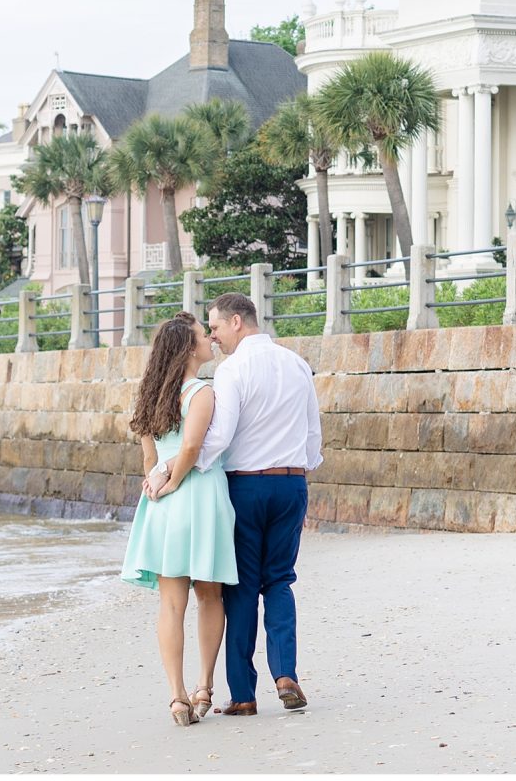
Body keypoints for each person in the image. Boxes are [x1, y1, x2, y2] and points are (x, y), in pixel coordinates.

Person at [183, 291, 322, 717]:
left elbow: (220, 437)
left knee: (242, 589)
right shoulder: (297, 363)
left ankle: (243, 695)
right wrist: (300, 468)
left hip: (245, 487)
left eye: (217, 326)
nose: (214, 335)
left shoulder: (233, 369)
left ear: (237, 322)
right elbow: (313, 433)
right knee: (279, 580)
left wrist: (185, 466)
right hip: (292, 484)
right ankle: (285, 674)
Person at [120, 312, 238, 727]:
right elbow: (191, 449)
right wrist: (174, 483)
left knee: (171, 604)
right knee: (209, 596)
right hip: (199, 498)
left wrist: (157, 487)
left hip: (164, 508)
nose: (210, 339)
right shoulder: (200, 393)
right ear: (189, 349)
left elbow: (151, 460)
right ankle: (204, 686)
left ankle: (176, 696)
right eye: (203, 335)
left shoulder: (151, 396)